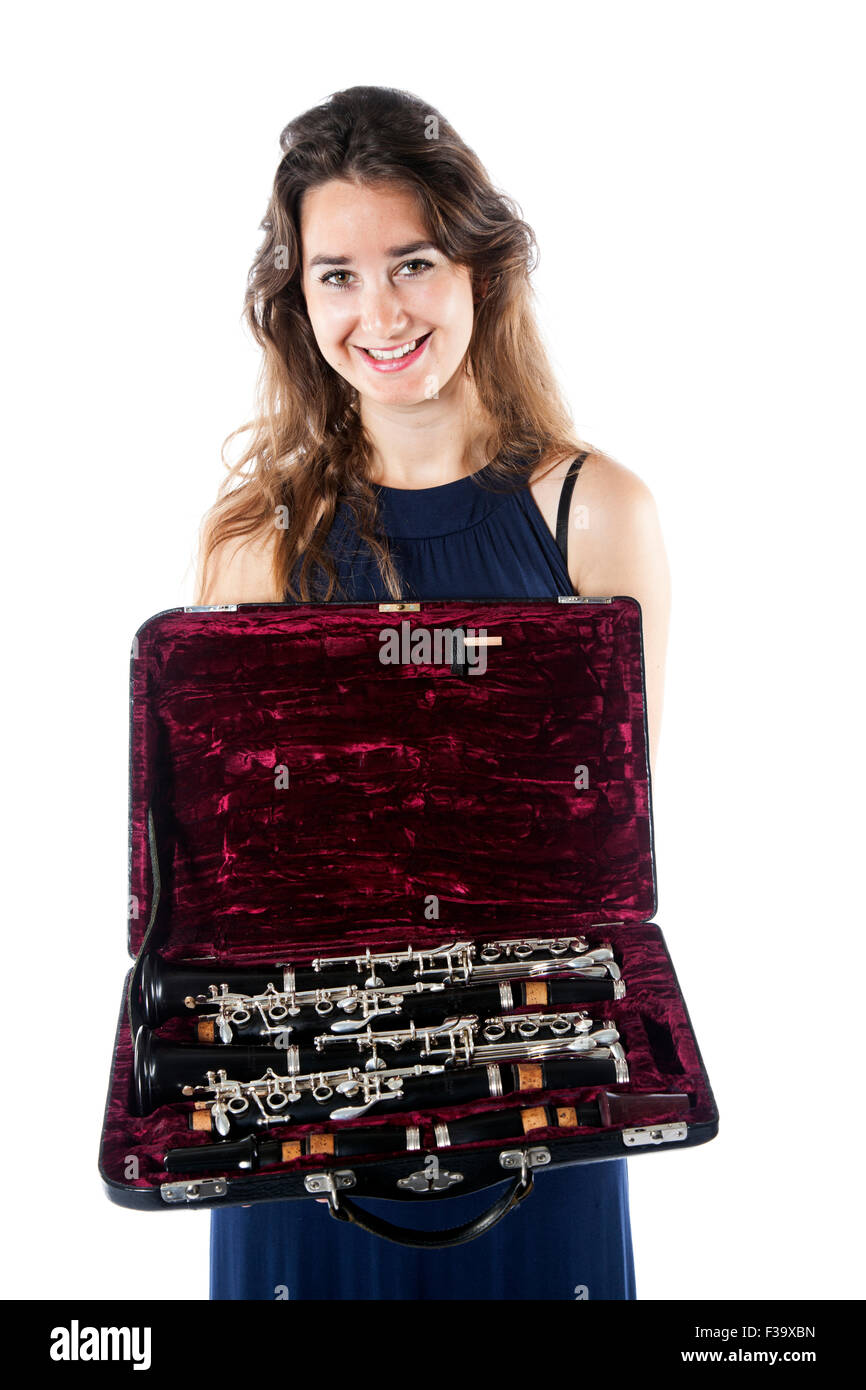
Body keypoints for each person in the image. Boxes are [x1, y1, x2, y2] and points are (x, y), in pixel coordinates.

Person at [195, 86, 670, 1300]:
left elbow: (605, 845)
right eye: (335, 274)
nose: (378, 311)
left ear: (476, 267)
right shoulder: (254, 539)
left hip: (531, 1057)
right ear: (297, 303)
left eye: (410, 261)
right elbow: (235, 870)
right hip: (311, 1078)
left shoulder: (592, 512)